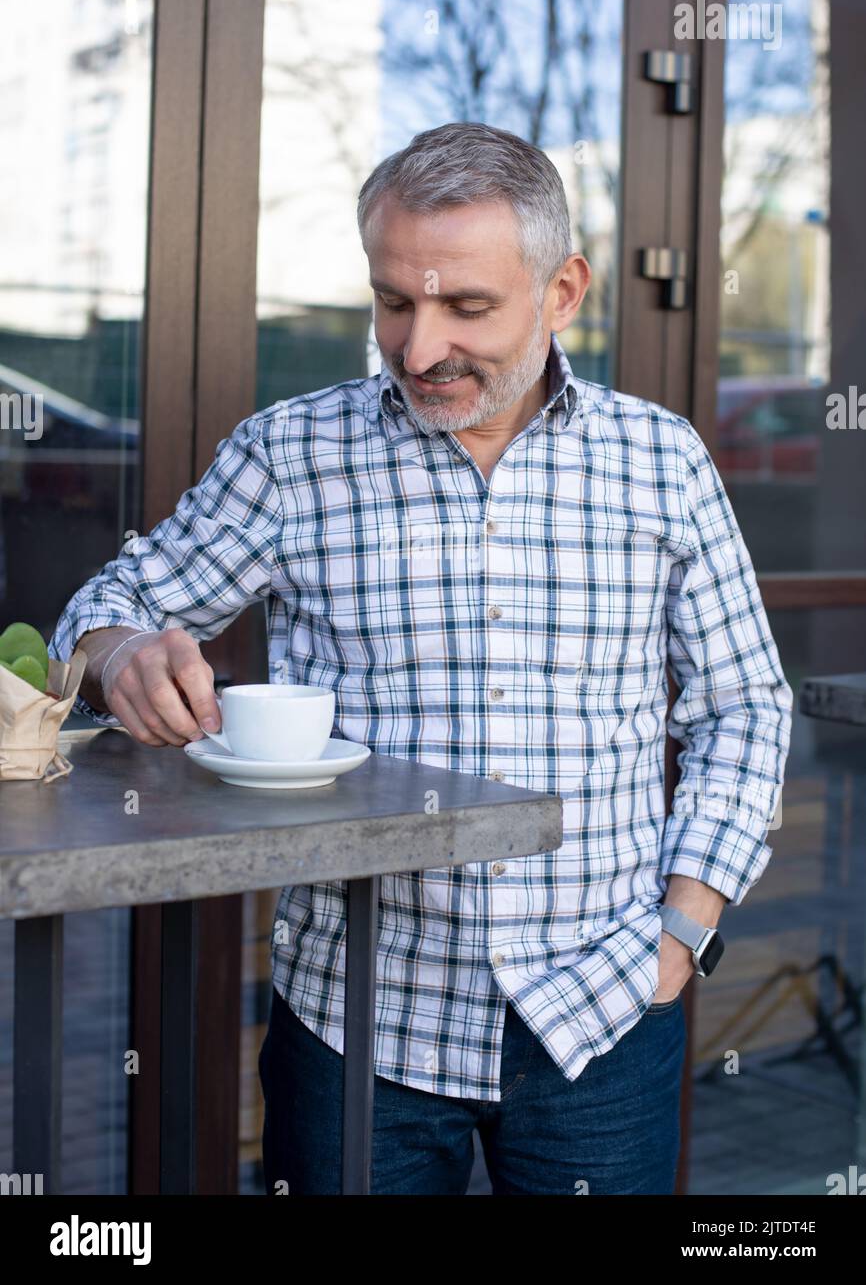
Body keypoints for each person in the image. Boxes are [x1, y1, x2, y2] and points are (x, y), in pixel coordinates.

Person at [49, 121, 792, 1195]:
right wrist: (117, 656)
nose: (416, 347)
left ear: (562, 291)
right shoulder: (291, 454)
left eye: (466, 307)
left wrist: (682, 930)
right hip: (357, 1019)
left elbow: (743, 709)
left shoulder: (661, 462)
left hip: (601, 1014)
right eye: (393, 301)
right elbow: (107, 604)